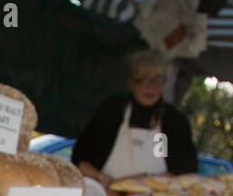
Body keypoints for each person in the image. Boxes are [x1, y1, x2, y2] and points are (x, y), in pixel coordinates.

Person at [72, 50, 197, 188]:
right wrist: (99, 177)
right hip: (106, 194)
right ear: (131, 83)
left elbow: (186, 172)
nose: (151, 86)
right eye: (143, 79)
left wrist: (136, 181)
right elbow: (80, 157)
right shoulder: (111, 110)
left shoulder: (174, 120)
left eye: (158, 79)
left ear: (164, 83)